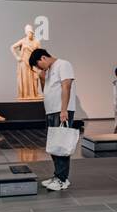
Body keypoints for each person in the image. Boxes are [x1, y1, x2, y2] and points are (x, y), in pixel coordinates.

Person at [28, 47, 79, 191]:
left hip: (60, 111)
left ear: (43, 58)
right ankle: (58, 176)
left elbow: (66, 87)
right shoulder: (49, 70)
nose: (39, 68)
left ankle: (62, 179)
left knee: (61, 145)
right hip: (51, 111)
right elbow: (46, 90)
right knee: (54, 145)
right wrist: (42, 78)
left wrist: (64, 110)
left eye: (38, 65)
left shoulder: (63, 64)